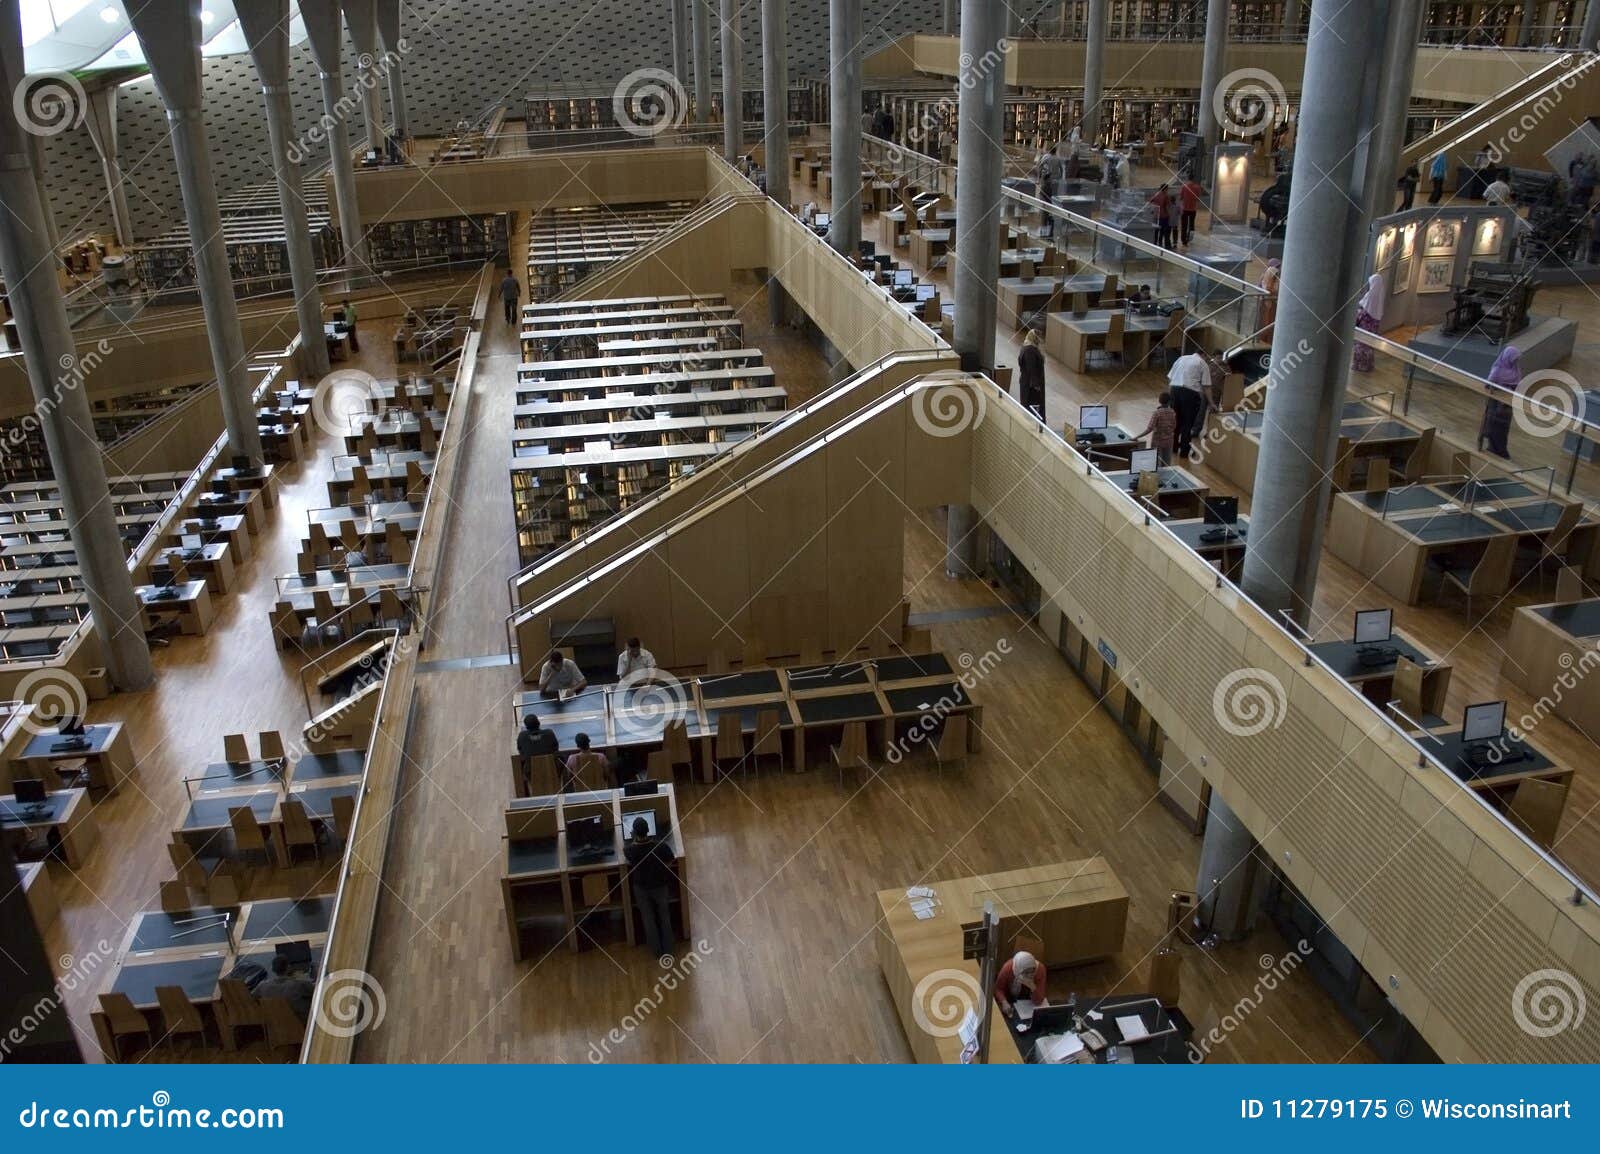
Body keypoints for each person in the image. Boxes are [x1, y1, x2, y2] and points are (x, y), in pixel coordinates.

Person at [625, 816, 677, 960]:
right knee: (664, 916)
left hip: (641, 888)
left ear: (634, 833)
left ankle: (656, 951)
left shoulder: (630, 850)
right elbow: (670, 860)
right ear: (648, 830)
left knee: (648, 919)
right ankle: (669, 949)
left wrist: (632, 840)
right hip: (660, 886)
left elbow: (628, 852)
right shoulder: (660, 846)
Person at [1166, 353, 1209, 459]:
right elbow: (1207, 386)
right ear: (1203, 355)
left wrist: (1170, 394)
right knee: (1187, 423)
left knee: (1175, 421)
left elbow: (1170, 377)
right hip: (1190, 394)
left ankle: (1174, 447)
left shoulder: (1181, 358)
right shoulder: (1202, 363)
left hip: (1174, 391)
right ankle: (1184, 451)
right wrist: (1212, 403)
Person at [1480, 345, 1520, 459]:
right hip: (1496, 403)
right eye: (1514, 358)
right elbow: (1488, 384)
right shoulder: (1497, 369)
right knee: (1493, 426)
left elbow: (1518, 384)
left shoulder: (1516, 369)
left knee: (1503, 429)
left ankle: (1501, 449)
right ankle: (1492, 447)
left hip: (1507, 404)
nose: (1516, 361)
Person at [254, 954, 315, 1020]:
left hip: (275, 1026)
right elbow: (317, 991)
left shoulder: (262, 986)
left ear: (272, 968)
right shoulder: (299, 985)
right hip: (302, 1026)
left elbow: (252, 1000)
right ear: (288, 967)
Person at [994, 950, 1047, 1018]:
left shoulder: (1040, 970)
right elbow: (998, 988)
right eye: (1026, 973)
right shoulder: (1008, 968)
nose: (1030, 976)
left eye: (1032, 971)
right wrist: (1004, 1002)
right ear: (1018, 970)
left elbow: (1039, 1001)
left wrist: (1032, 987)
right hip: (1009, 998)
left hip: (1028, 1002)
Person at [1351, 273, 1385, 372]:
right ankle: (1367, 365)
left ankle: (1359, 365)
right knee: (1369, 345)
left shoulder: (1371, 294)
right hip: (1374, 325)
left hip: (1365, 325)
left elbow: (1364, 309)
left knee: (1360, 345)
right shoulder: (1380, 294)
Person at [1139, 392, 1178, 465]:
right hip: (1169, 441)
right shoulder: (1173, 412)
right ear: (1170, 401)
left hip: (1157, 441)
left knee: (1154, 463)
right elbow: (1174, 426)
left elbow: (1149, 429)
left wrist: (1136, 437)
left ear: (1159, 401)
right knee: (1166, 463)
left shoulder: (1157, 413)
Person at [1017, 330, 1047, 421]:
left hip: (1027, 384)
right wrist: (1036, 386)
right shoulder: (1030, 350)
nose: (1040, 340)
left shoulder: (1026, 347)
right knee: (1033, 408)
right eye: (1038, 338)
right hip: (1031, 388)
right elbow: (1031, 369)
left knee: (1029, 406)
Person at [1257, 258, 1281, 344]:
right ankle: (1264, 340)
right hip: (1267, 302)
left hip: (1266, 301)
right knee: (1266, 323)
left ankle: (1265, 339)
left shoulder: (1265, 274)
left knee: (1266, 324)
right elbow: (1268, 289)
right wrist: (1279, 293)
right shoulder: (1272, 272)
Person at [1178, 176, 1202, 247]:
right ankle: (1190, 238)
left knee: (1184, 225)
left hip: (1185, 209)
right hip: (1193, 209)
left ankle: (1183, 240)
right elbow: (1198, 198)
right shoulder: (1197, 187)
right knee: (1191, 224)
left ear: (1188, 179)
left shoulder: (1184, 187)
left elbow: (1181, 197)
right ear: (1193, 179)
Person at [1150, 183, 1173, 249]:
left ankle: (1155, 242)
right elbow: (1167, 206)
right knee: (1162, 230)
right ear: (1165, 189)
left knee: (1156, 230)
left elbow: (1151, 201)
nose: (1168, 190)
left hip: (1156, 215)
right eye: (1167, 189)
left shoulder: (1156, 194)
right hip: (1163, 216)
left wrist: (1153, 210)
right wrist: (1169, 215)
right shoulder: (1165, 196)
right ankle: (1160, 243)